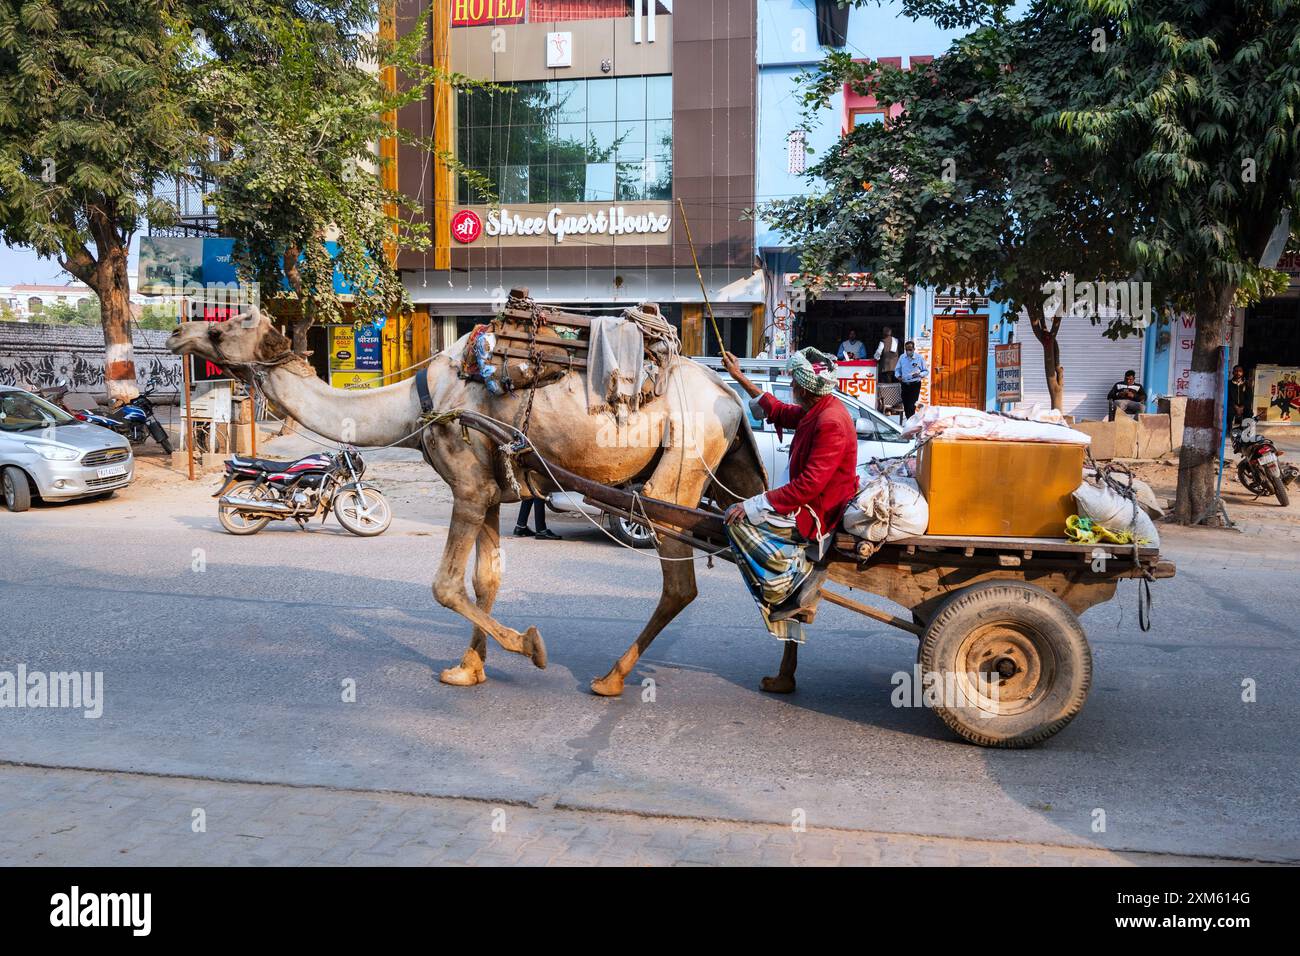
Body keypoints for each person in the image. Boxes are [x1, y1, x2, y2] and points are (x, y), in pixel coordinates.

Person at [719, 347, 859, 639]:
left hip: (818, 512)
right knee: (743, 513)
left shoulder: (830, 421)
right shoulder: (819, 409)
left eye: (794, 382)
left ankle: (788, 584)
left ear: (806, 390)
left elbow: (809, 484)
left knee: (737, 524)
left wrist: (754, 504)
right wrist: (740, 377)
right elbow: (780, 411)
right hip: (811, 502)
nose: (791, 387)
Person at [895, 340, 927, 418]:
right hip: (905, 384)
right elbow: (897, 369)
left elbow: (925, 371)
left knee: (911, 405)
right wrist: (898, 376)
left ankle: (911, 422)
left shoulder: (919, 358)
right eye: (907, 349)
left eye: (910, 349)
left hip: (915, 384)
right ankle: (909, 421)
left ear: (914, 349)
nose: (908, 351)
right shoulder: (902, 357)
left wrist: (919, 374)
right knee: (906, 405)